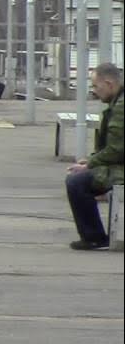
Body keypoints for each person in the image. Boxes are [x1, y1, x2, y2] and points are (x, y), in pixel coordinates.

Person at [64, 63, 124, 250]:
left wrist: (90, 163)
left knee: (76, 182)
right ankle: (94, 237)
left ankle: (94, 238)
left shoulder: (121, 108)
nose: (94, 91)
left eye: (96, 86)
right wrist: (93, 159)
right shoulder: (119, 102)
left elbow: (116, 149)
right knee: (80, 178)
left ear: (108, 83)